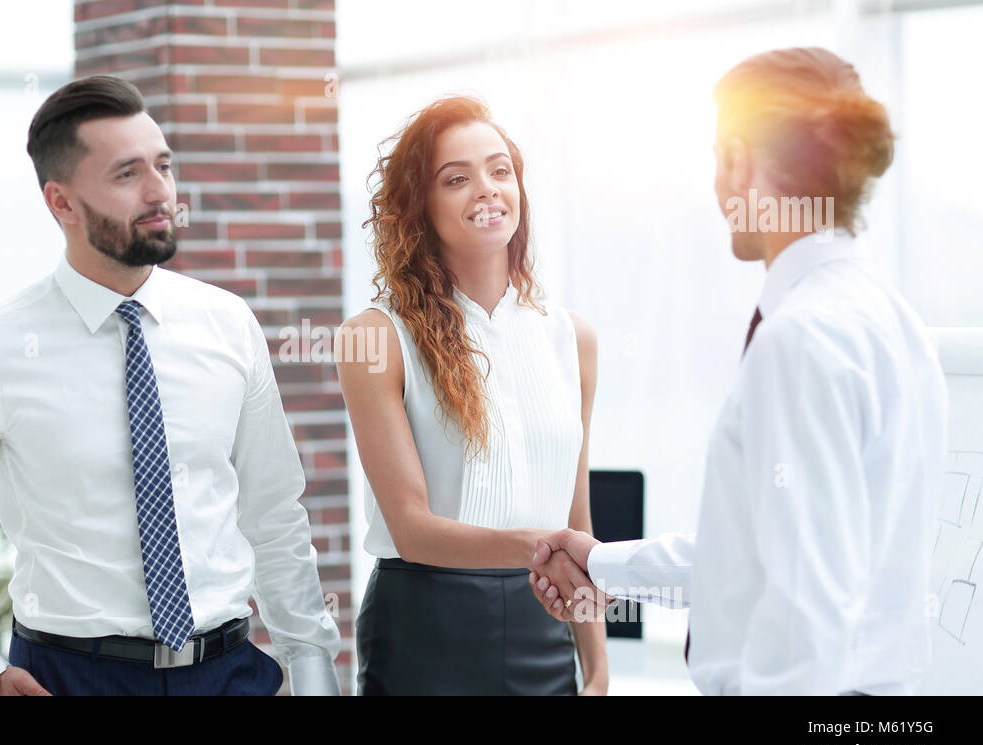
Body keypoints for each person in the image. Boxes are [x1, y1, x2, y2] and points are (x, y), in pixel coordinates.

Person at [530, 47, 949, 696]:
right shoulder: (895, 322)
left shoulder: (800, 338)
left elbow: (804, 627)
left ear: (738, 160)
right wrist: (602, 563)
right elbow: (755, 554)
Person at [0, 75, 342, 696]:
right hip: (67, 678)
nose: (160, 193)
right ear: (60, 203)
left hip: (232, 673)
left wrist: (312, 675)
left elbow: (275, 513)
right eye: (127, 175)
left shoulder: (227, 324)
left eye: (163, 166)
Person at [337, 95, 608, 695]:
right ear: (420, 207)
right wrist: (543, 548)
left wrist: (598, 672)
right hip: (425, 632)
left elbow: (576, 517)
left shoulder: (573, 338)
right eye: (455, 179)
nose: (486, 189)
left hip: (546, 627)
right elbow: (411, 527)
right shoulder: (375, 339)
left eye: (500, 170)